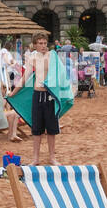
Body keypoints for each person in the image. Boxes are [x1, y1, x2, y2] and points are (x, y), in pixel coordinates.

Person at [9, 30, 72, 166]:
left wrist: (65, 92)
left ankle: (51, 158)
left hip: (51, 95)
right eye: (40, 43)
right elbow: (25, 78)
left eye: (45, 43)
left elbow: (61, 75)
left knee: (51, 129)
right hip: (37, 95)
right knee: (36, 129)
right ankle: (35, 158)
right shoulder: (32, 59)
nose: (43, 46)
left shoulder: (53, 56)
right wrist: (13, 93)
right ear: (35, 45)